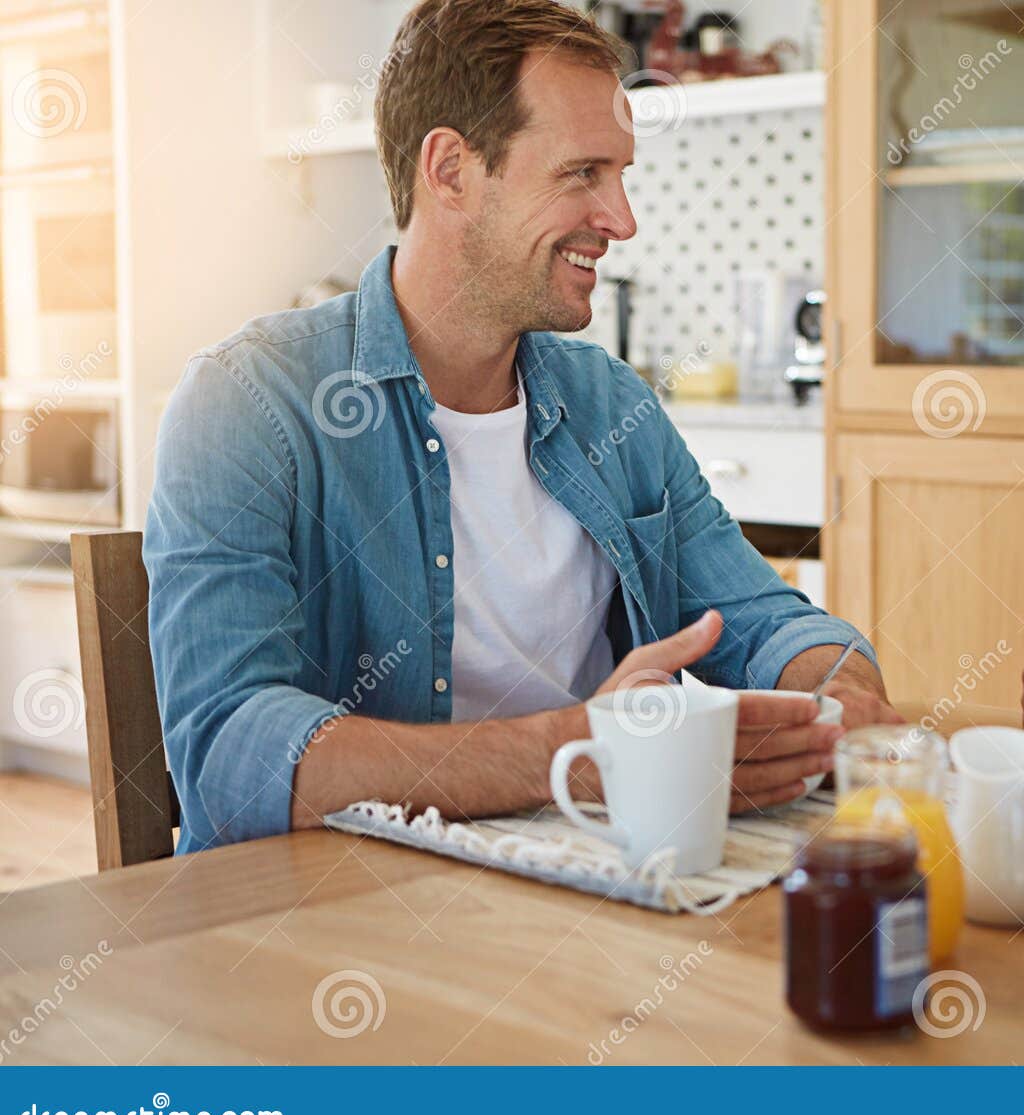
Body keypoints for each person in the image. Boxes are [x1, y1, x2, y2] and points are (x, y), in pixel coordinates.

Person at [144, 0, 897, 851]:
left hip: (593, 895)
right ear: (452, 170)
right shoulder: (248, 404)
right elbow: (232, 757)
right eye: (582, 174)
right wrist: (583, 755)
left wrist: (841, 703)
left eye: (622, 175)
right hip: (336, 926)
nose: (622, 219)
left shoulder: (613, 408)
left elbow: (767, 621)